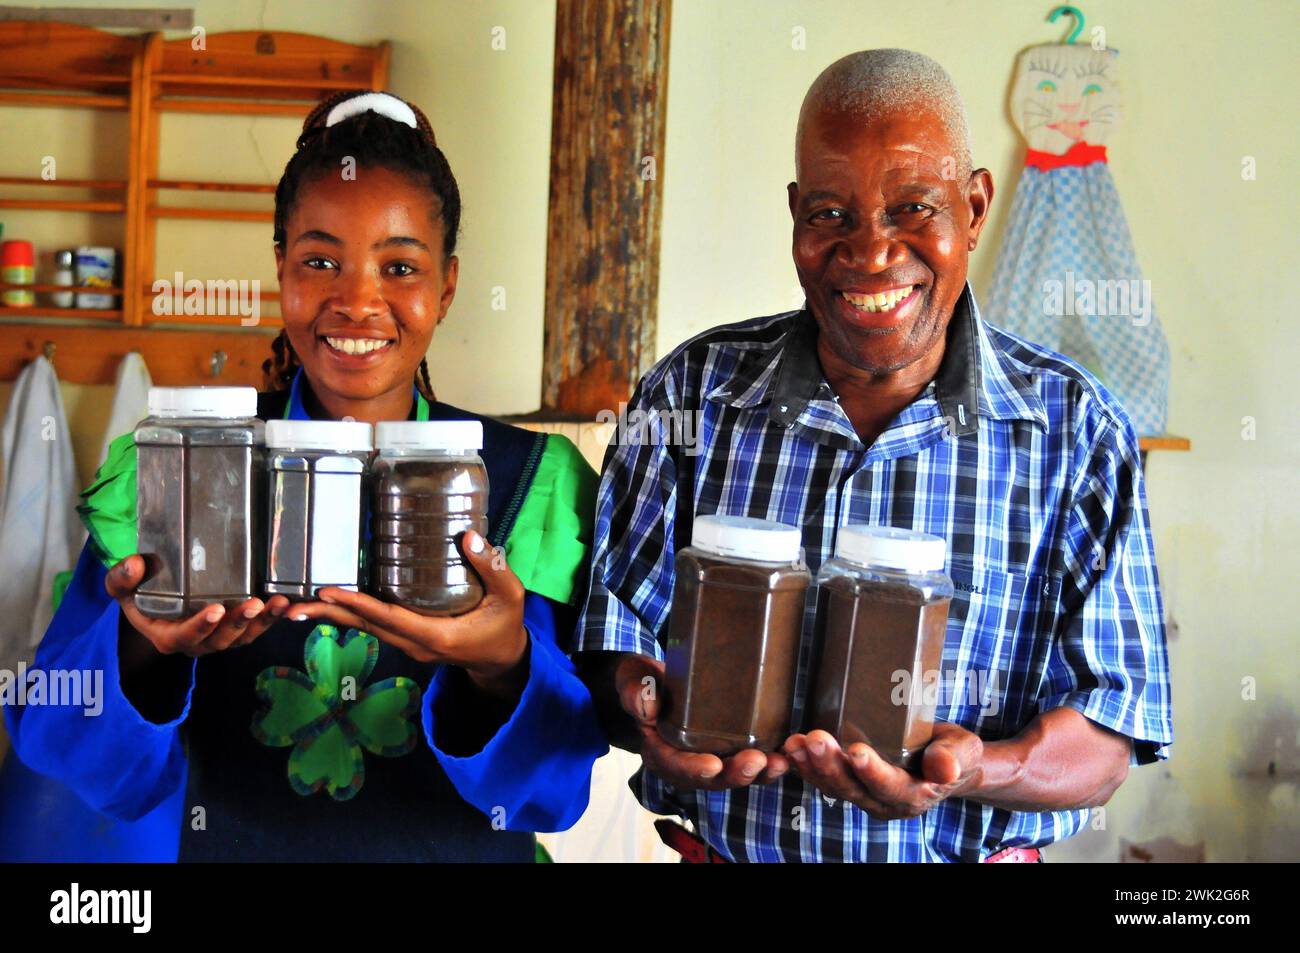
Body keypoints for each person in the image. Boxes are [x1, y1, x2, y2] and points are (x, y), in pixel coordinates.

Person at [576, 49, 1173, 863]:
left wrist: (971, 769)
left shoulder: (1074, 429)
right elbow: (611, 643)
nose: (872, 252)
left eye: (913, 208)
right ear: (794, 214)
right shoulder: (690, 395)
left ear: (974, 205)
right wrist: (648, 712)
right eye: (831, 214)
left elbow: (1112, 728)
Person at [4, 90, 607, 862]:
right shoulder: (187, 463)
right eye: (320, 260)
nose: (357, 300)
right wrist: (139, 644)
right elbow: (63, 744)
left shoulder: (528, 487)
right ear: (281, 268)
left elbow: (552, 793)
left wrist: (499, 666)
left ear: (447, 286)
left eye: (399, 266)